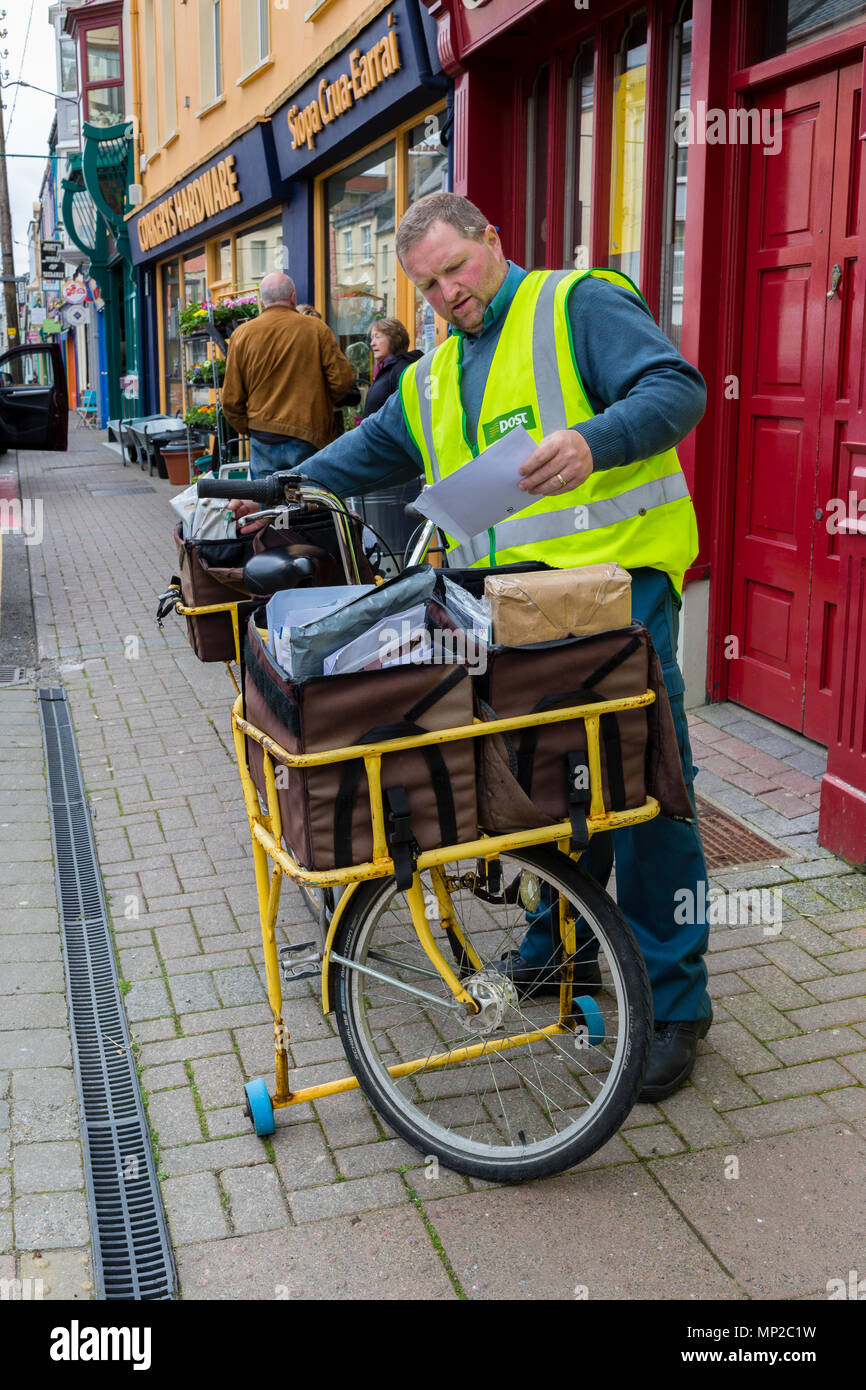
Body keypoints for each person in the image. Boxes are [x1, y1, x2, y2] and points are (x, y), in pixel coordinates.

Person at [234, 191, 712, 1101]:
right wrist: (279, 487)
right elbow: (374, 446)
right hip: (509, 610)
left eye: (459, 267)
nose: (450, 292)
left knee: (650, 792)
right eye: (429, 284)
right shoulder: (433, 374)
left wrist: (594, 440)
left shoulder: (577, 304)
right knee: (548, 781)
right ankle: (559, 941)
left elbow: (676, 388)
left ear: (495, 241)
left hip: (618, 591)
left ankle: (675, 1006)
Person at [221, 272, 355, 480]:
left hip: (262, 436)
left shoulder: (242, 335)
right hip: (308, 433)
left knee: (268, 505)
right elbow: (342, 382)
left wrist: (250, 428)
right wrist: (323, 408)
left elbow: (230, 399)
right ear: (293, 296)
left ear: (261, 300)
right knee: (311, 503)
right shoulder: (316, 329)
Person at [363, 317, 423, 418]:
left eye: (377, 337)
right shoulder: (385, 367)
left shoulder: (401, 367)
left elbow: (401, 412)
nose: (372, 343)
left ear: (394, 339)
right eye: (372, 338)